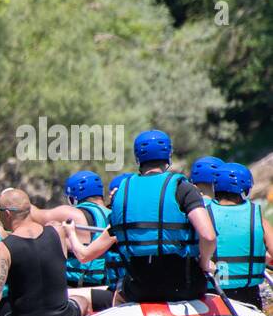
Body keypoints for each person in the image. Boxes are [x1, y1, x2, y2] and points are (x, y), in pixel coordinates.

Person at [63, 129, 217, 304]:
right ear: (168, 156)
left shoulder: (122, 194)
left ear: (138, 159)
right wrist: (205, 263)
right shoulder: (183, 188)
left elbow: (84, 256)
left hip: (140, 288)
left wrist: (70, 233)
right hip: (184, 285)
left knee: (118, 296)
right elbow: (208, 236)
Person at [0, 189, 91, 316]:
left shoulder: (2, 249)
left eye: (0, 210)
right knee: (82, 301)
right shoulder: (57, 231)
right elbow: (32, 239)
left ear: (7, 214)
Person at [207, 163, 273, 307]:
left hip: (213, 293)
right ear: (246, 189)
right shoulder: (256, 214)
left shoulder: (205, 213)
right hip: (248, 294)